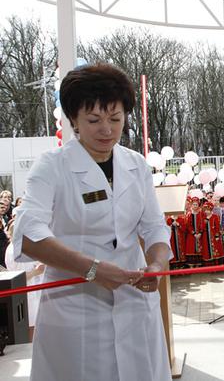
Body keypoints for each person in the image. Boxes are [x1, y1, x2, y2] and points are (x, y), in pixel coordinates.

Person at [12, 63, 172, 381]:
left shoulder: (136, 165)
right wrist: (93, 269)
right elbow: (29, 234)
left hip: (134, 301)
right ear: (73, 120)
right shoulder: (53, 166)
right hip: (74, 309)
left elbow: (154, 227)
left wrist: (156, 265)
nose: (107, 130)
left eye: (115, 119)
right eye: (94, 120)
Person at [4, 219, 45, 341]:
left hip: (33, 291)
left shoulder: (23, 247)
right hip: (26, 293)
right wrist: (37, 271)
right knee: (31, 326)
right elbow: (17, 276)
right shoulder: (13, 251)